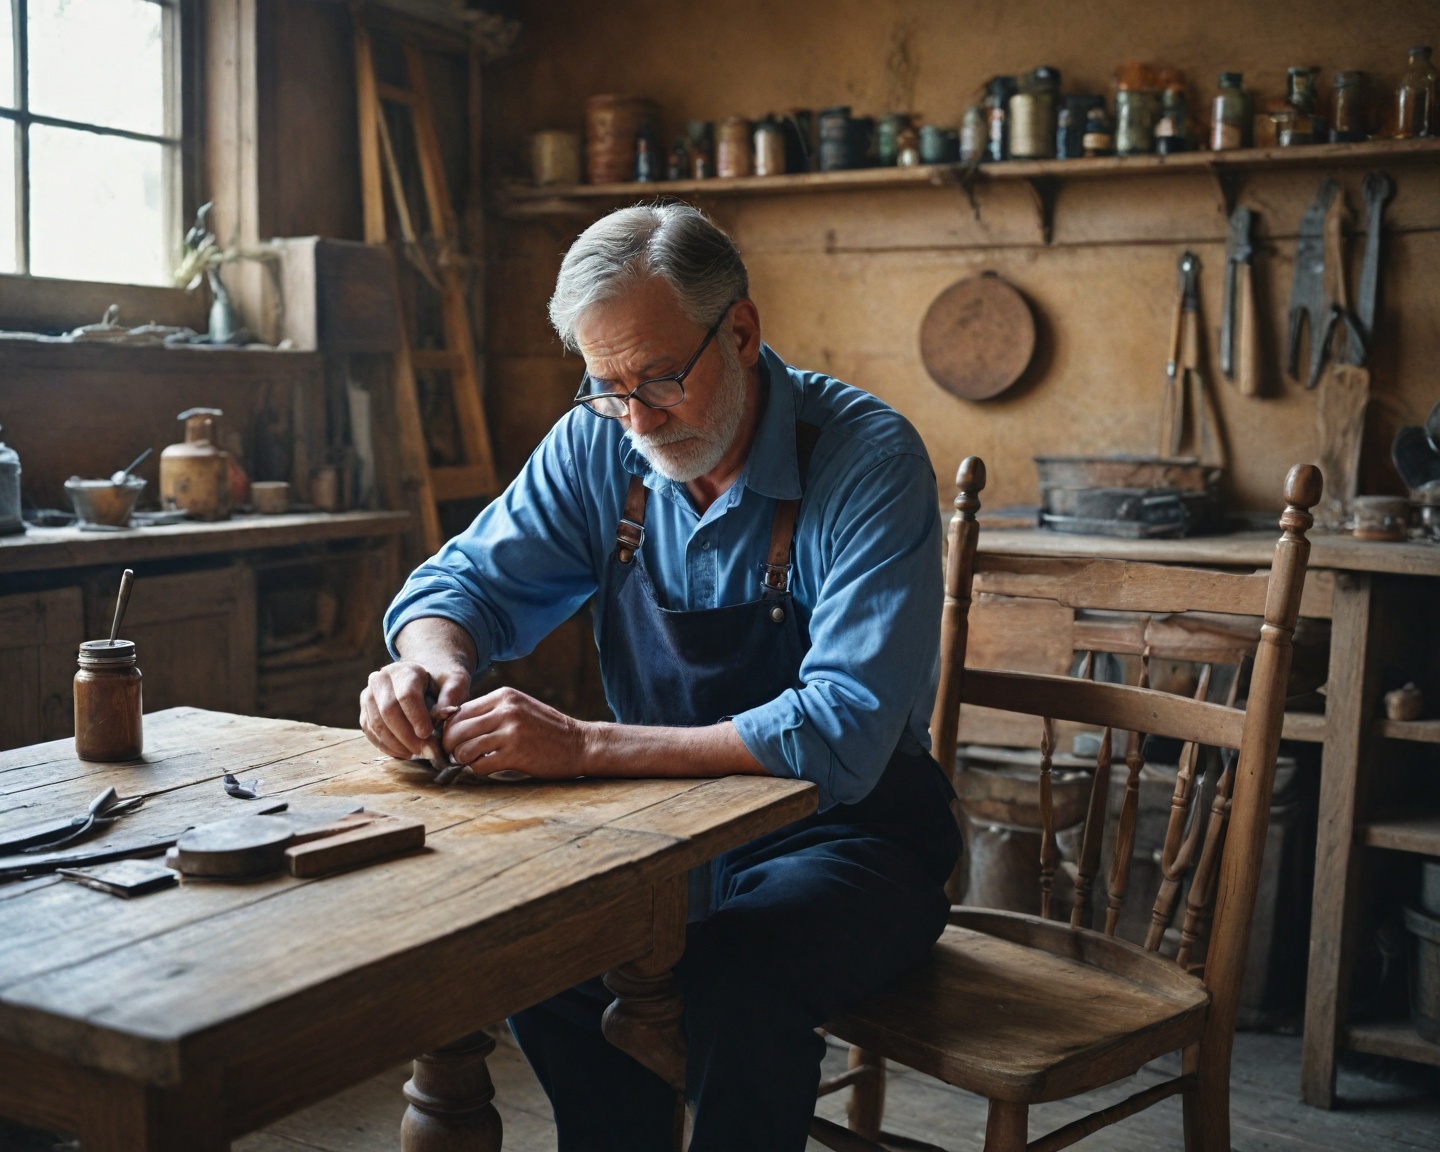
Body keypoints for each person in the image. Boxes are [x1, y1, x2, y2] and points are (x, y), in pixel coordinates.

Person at [361, 203, 960, 1152]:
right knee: (531, 944)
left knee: (735, 977)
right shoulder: (603, 440)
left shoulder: (865, 460)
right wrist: (426, 665)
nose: (636, 416)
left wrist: (586, 746)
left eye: (661, 379)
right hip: (663, 839)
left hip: (847, 840)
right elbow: (459, 583)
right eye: (606, 385)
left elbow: (842, 729)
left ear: (744, 332)